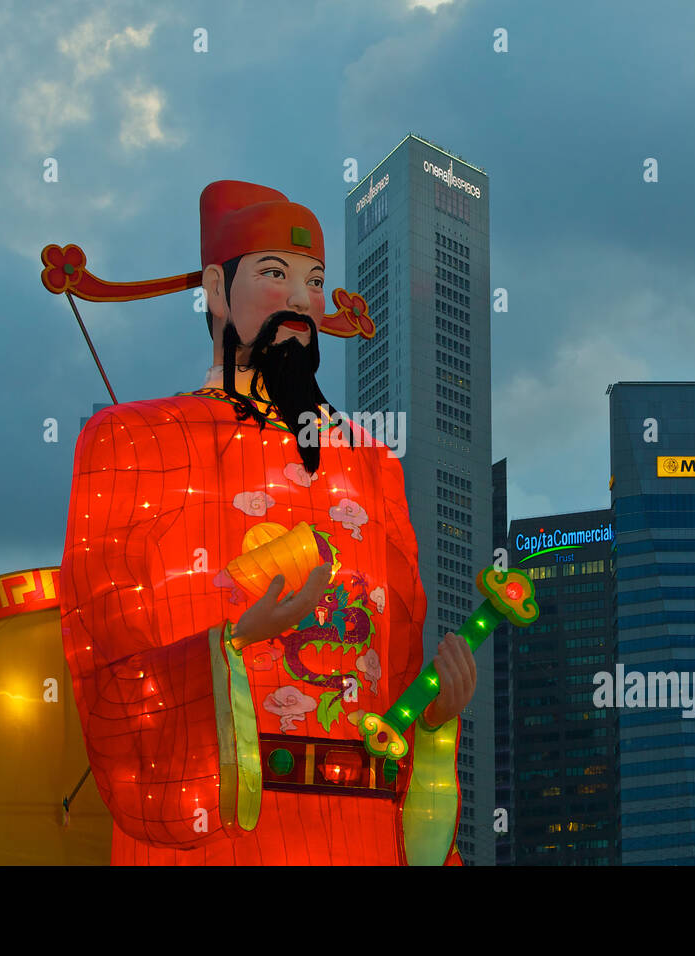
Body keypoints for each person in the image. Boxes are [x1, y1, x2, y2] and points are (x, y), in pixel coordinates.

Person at [59, 180, 475, 865]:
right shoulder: (132, 440)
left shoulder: (371, 463)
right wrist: (230, 644)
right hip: (221, 822)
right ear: (217, 291)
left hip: (364, 830)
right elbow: (102, 645)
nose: (300, 299)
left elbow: (393, 665)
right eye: (274, 274)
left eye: (314, 281)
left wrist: (431, 716)